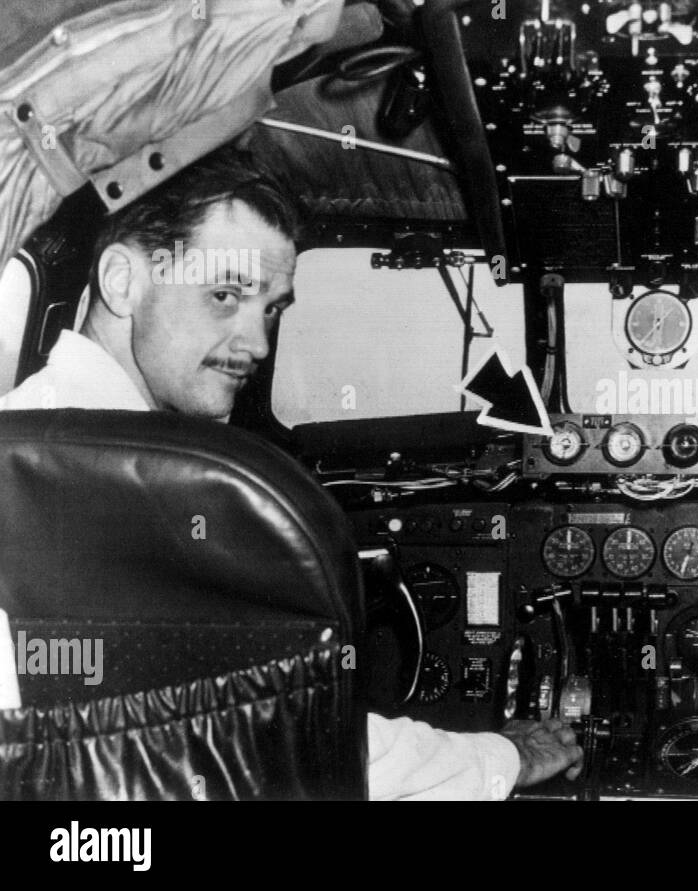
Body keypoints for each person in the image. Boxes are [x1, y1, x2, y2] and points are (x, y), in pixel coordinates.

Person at [0, 145, 583, 800]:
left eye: (272, 308)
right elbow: (284, 738)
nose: (257, 343)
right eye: (225, 295)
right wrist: (503, 757)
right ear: (121, 281)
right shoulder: (150, 485)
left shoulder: (31, 438)